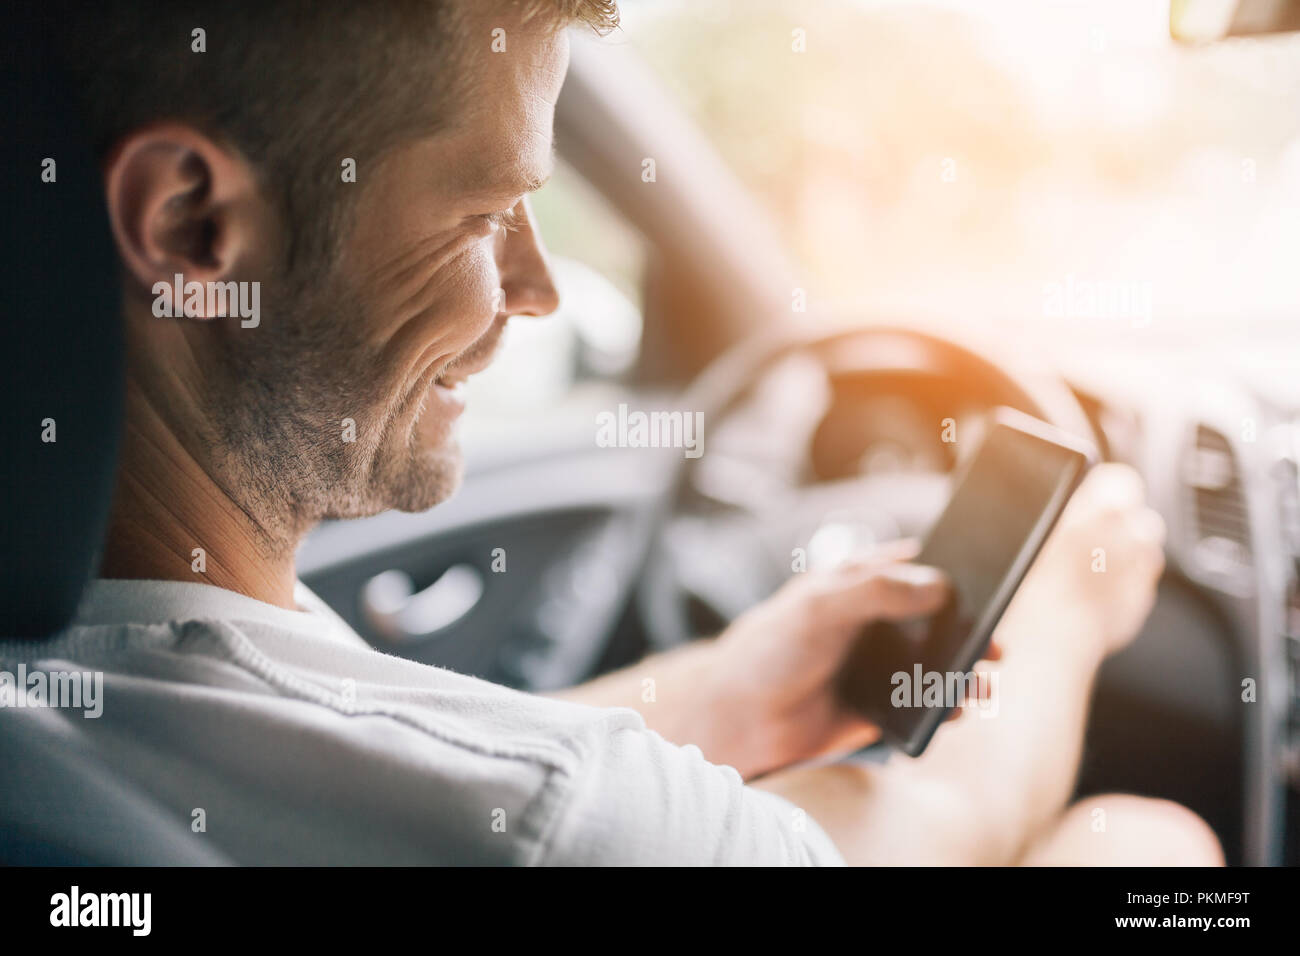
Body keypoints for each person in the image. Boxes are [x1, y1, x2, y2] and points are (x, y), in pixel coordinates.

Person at [16, 0, 1220, 865]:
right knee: (1145, 835)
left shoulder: (75, 704)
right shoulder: (578, 816)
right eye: (488, 212)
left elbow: (422, 774)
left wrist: (726, 688)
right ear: (188, 224)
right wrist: (1067, 604)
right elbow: (937, 829)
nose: (538, 285)